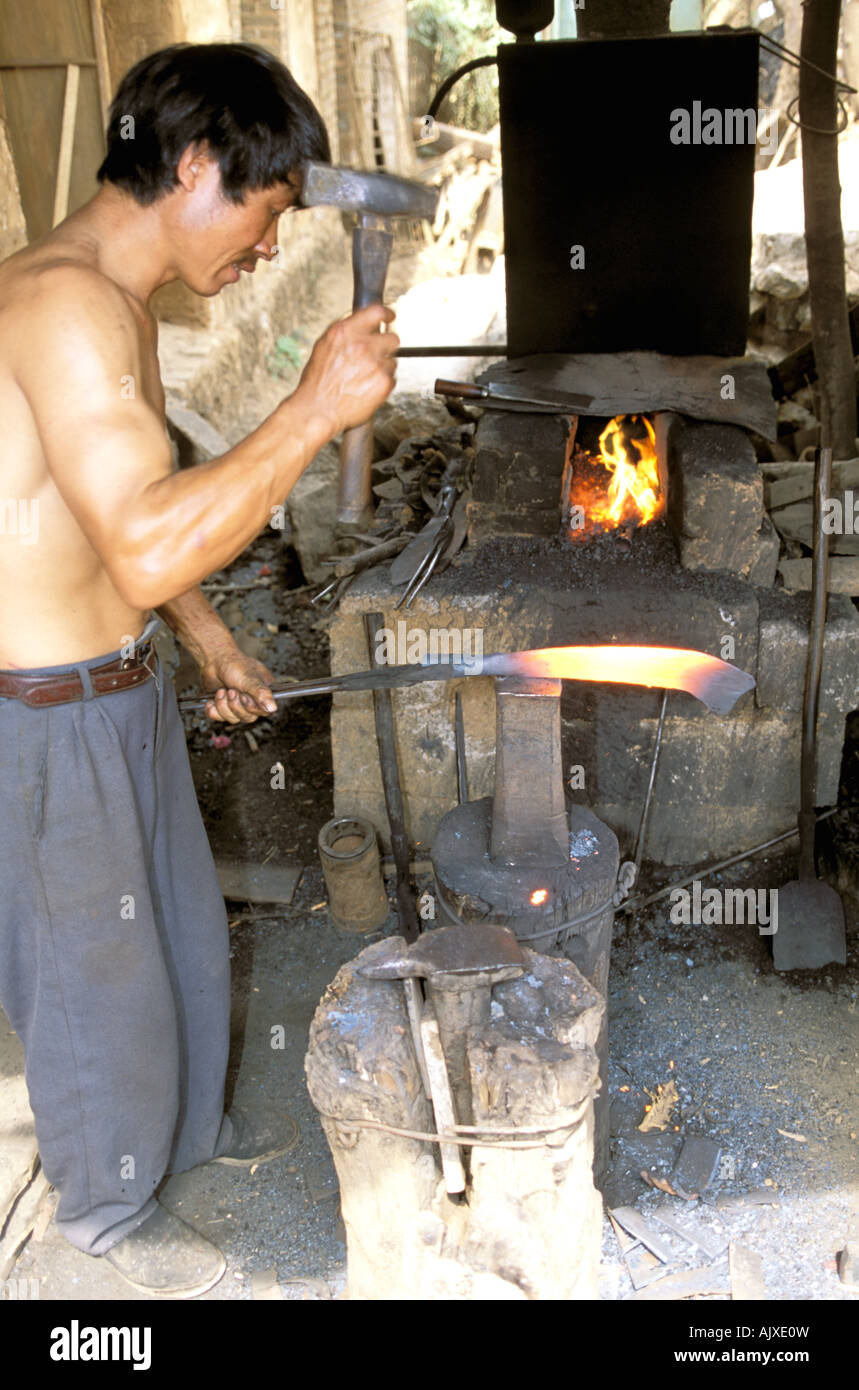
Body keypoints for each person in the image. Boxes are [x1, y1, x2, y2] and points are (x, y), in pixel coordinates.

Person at [0, 42, 398, 1297]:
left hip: (116, 686)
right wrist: (312, 408)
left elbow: (121, 511)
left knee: (177, 941)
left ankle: (181, 1149)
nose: (271, 248)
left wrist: (210, 638)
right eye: (268, 213)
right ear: (194, 165)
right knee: (92, 991)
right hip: (50, 719)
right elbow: (143, 531)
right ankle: (105, 1241)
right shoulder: (61, 306)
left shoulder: (119, 302)